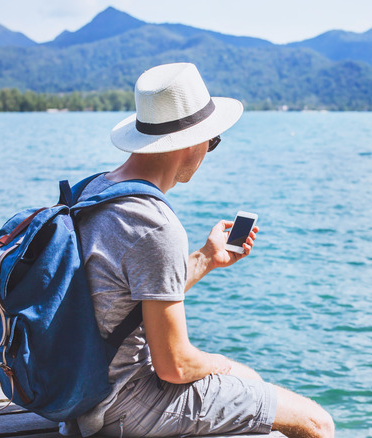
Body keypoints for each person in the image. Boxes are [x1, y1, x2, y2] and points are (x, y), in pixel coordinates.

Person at [58, 63, 334, 438]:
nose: (208, 151)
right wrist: (223, 364)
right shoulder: (156, 224)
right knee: (316, 422)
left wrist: (207, 257)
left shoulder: (92, 192)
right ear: (190, 143)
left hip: (77, 389)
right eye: (212, 140)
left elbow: (124, 296)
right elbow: (175, 365)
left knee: (251, 387)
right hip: (122, 402)